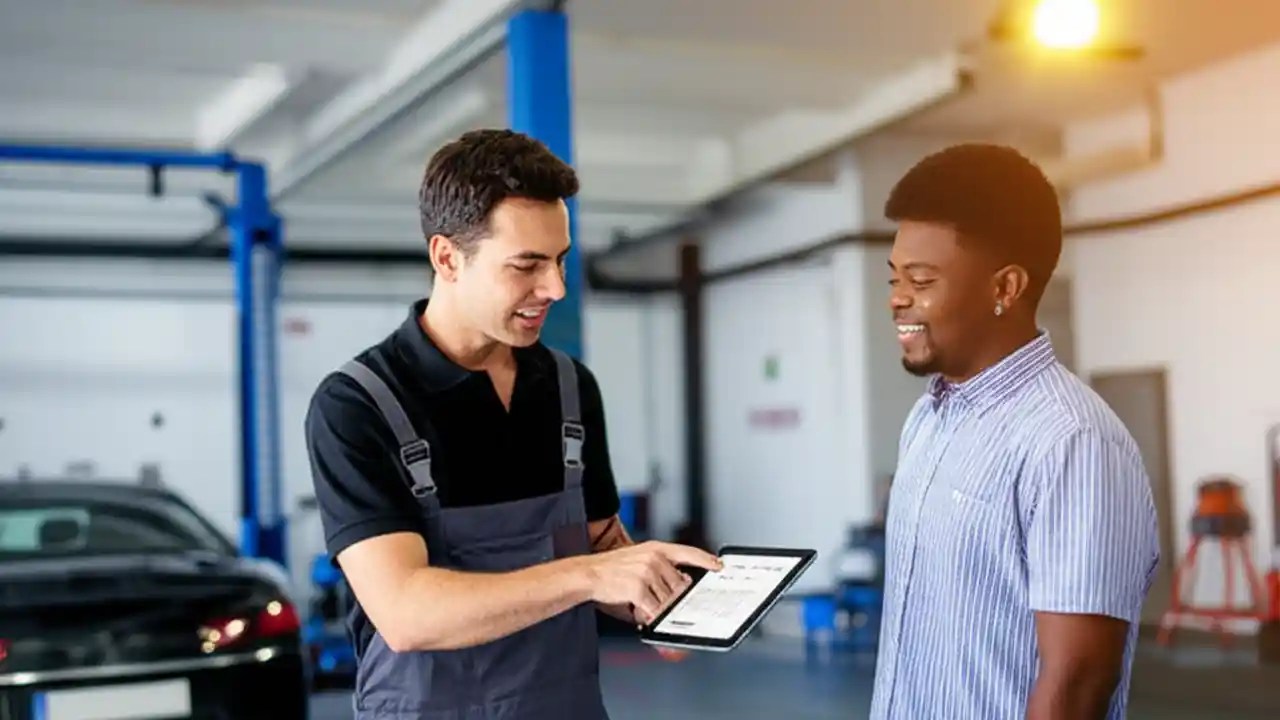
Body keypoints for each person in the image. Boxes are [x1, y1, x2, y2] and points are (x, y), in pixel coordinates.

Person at [304, 128, 721, 720]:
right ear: (447, 257)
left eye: (560, 260)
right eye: (527, 265)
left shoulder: (570, 390)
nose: (554, 288)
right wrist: (589, 575)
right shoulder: (357, 406)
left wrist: (663, 594)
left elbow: (601, 546)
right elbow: (404, 612)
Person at [869, 143, 1160, 720]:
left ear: (1005, 288)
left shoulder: (1071, 442)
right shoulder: (927, 419)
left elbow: (1077, 683)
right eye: (895, 277)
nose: (898, 299)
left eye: (921, 280)